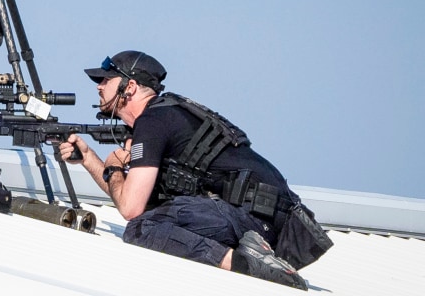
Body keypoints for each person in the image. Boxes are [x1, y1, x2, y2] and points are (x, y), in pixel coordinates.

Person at [59, 50, 329, 290]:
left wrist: (114, 167)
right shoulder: (167, 114)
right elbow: (134, 197)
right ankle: (255, 257)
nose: (99, 86)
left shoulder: (152, 121)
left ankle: (246, 264)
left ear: (129, 87)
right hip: (269, 221)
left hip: (252, 218)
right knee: (155, 217)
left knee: (141, 229)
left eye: (106, 80)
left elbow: (130, 209)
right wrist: (90, 159)